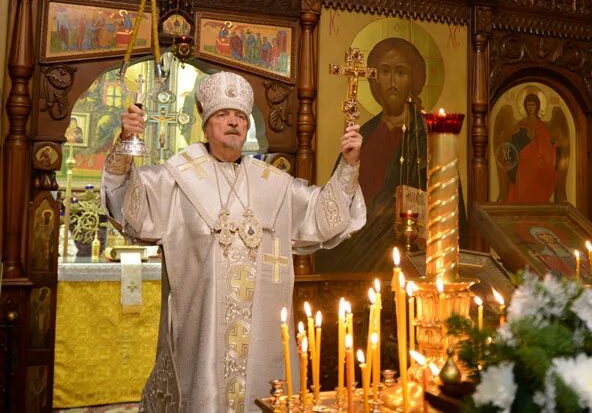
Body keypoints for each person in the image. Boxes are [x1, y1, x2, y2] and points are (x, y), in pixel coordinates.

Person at [101, 71, 366, 412]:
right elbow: (127, 205)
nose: (233, 122)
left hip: (263, 336)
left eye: (240, 116)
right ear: (206, 125)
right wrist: (126, 144)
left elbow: (324, 215)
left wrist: (349, 163)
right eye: (223, 115)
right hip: (201, 335)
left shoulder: (275, 184)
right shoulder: (176, 178)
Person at [315, 38, 428, 273]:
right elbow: (338, 195)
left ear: (413, 81)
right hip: (357, 245)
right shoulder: (364, 133)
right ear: (375, 80)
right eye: (385, 71)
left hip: (402, 251)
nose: (393, 81)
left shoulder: (426, 135)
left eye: (401, 72)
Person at [506, 94, 558, 203]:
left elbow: (546, 145)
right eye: (528, 105)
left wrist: (553, 147)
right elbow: (513, 145)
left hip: (538, 167)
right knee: (523, 195)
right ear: (525, 106)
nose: (530, 108)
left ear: (538, 106)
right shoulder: (520, 124)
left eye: (533, 105)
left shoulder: (542, 125)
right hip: (523, 166)